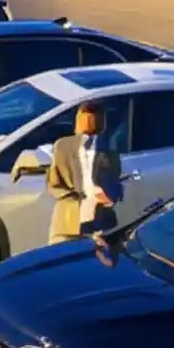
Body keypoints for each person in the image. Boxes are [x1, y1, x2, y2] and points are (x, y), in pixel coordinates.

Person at [46, 103, 123, 244]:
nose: (88, 123)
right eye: (85, 119)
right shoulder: (63, 147)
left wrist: (107, 197)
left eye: (92, 120)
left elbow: (116, 187)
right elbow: (54, 185)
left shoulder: (109, 152)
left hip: (100, 225)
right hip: (67, 223)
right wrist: (77, 201)